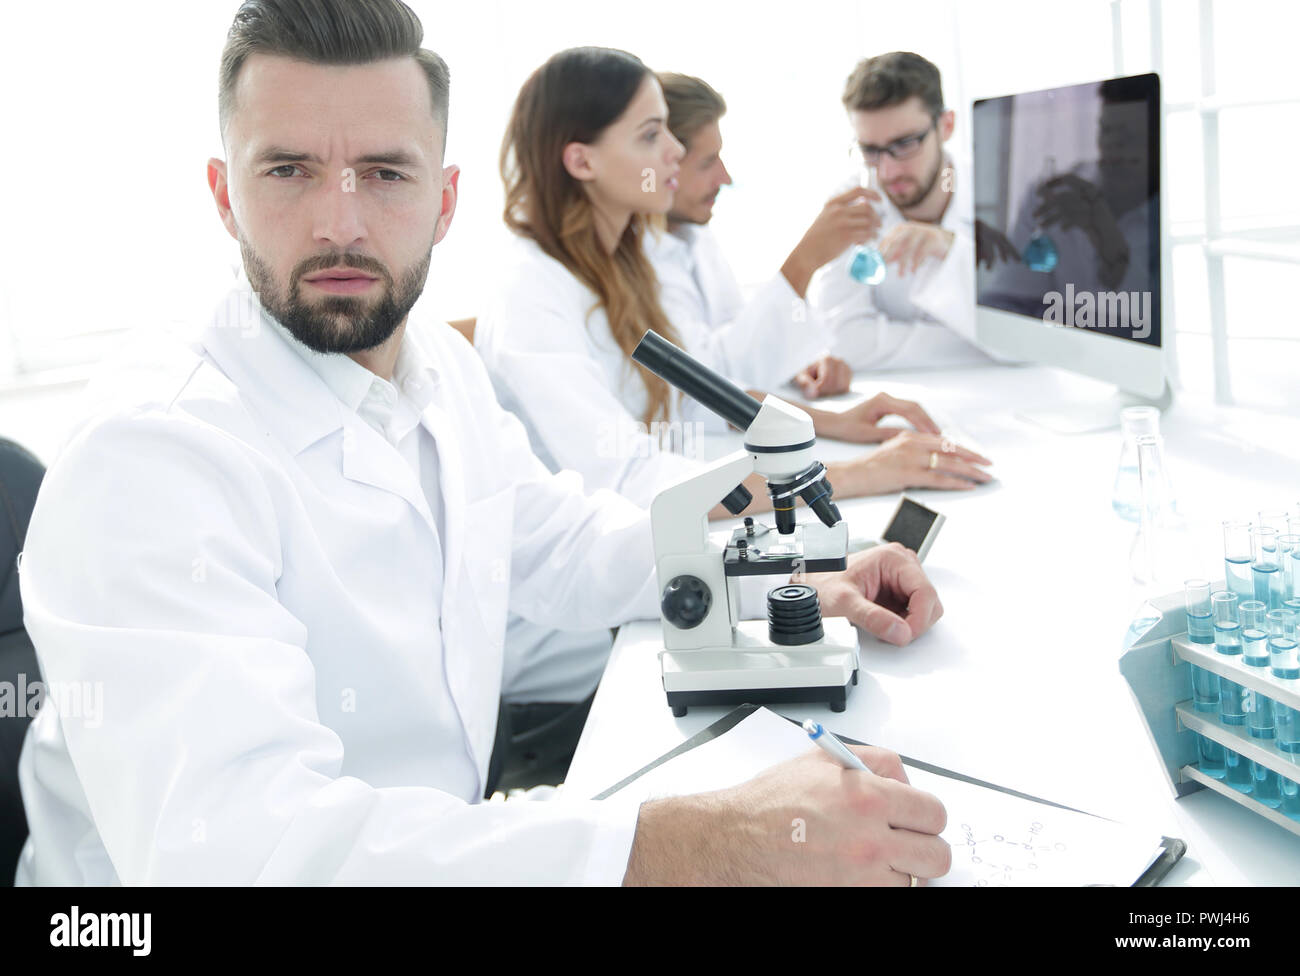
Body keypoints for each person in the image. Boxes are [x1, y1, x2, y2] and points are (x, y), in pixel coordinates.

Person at [14, 0, 950, 885]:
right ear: (224, 194)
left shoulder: (433, 370)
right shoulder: (149, 455)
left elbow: (562, 545)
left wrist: (783, 581)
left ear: (446, 199)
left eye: (385, 172)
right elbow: (246, 856)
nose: (340, 220)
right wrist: (705, 846)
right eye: (288, 169)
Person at [808, 51, 1002, 371]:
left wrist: (952, 252)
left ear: (947, 125)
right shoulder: (851, 203)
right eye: (870, 150)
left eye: (904, 144)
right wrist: (979, 344)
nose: (887, 171)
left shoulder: (999, 193)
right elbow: (846, 342)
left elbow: (1031, 336)